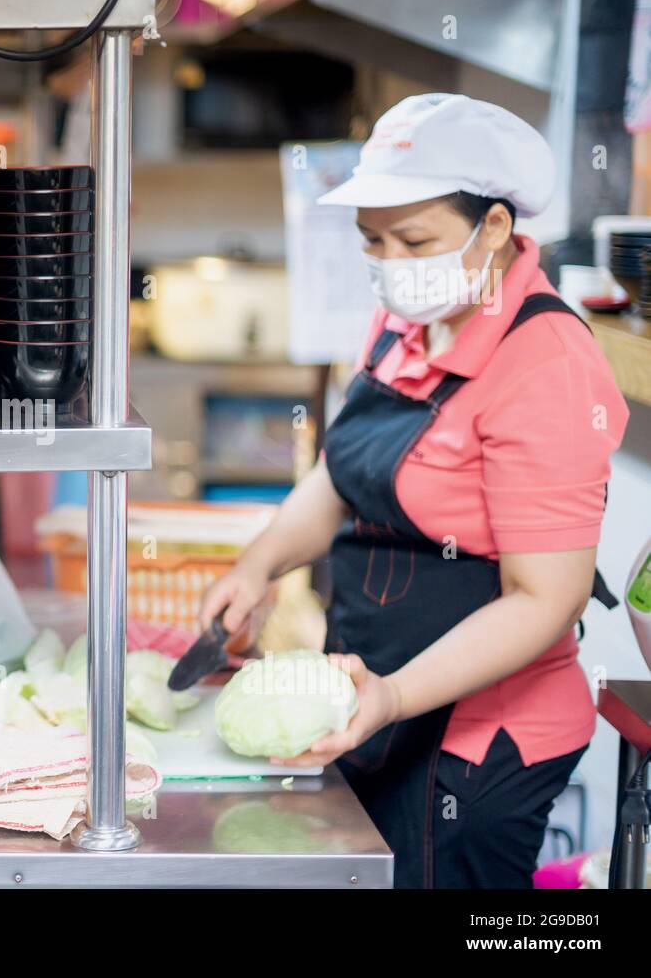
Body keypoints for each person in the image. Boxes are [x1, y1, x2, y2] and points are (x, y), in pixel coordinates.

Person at [199, 94, 629, 889]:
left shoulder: (548, 365)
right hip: (378, 705)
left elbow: (548, 598)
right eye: (373, 240)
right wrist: (258, 565)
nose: (392, 262)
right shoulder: (407, 321)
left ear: (494, 228)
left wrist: (393, 694)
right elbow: (343, 475)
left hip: (473, 748)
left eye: (415, 239)